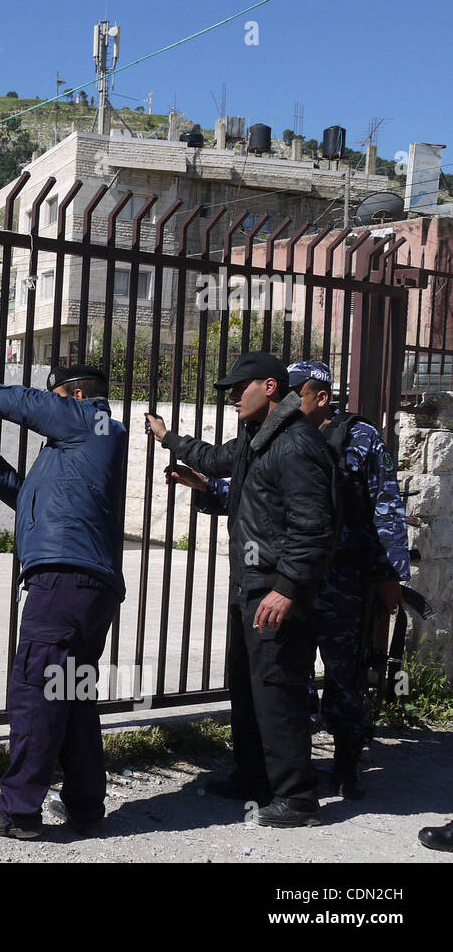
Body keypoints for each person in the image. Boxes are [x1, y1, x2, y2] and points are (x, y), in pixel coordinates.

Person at [167, 361, 410, 800]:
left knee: (343, 672)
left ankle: (346, 760)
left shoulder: (356, 438)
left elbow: (385, 506)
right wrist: (206, 487)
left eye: (299, 393)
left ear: (321, 397)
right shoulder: (273, 435)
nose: (290, 401)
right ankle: (282, 767)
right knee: (281, 676)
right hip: (294, 574)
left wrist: (390, 575)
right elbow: (259, 499)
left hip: (341, 577)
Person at [144, 351, 337, 827]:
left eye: (239, 388)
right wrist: (170, 438)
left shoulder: (294, 444)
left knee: (278, 689)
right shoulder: (259, 437)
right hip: (251, 586)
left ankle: (297, 798)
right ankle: (254, 778)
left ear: (269, 388)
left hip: (276, 589)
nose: (231, 397)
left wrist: (288, 587)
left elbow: (315, 526)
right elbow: (215, 459)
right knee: (249, 687)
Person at [0, 364, 127, 840]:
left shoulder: (93, 422)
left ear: (75, 395)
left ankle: (18, 811)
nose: (50, 405)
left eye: (56, 396)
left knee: (36, 691)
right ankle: (85, 807)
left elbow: (25, 405)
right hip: (83, 583)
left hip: (64, 583)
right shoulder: (77, 448)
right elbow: (30, 500)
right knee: (71, 696)